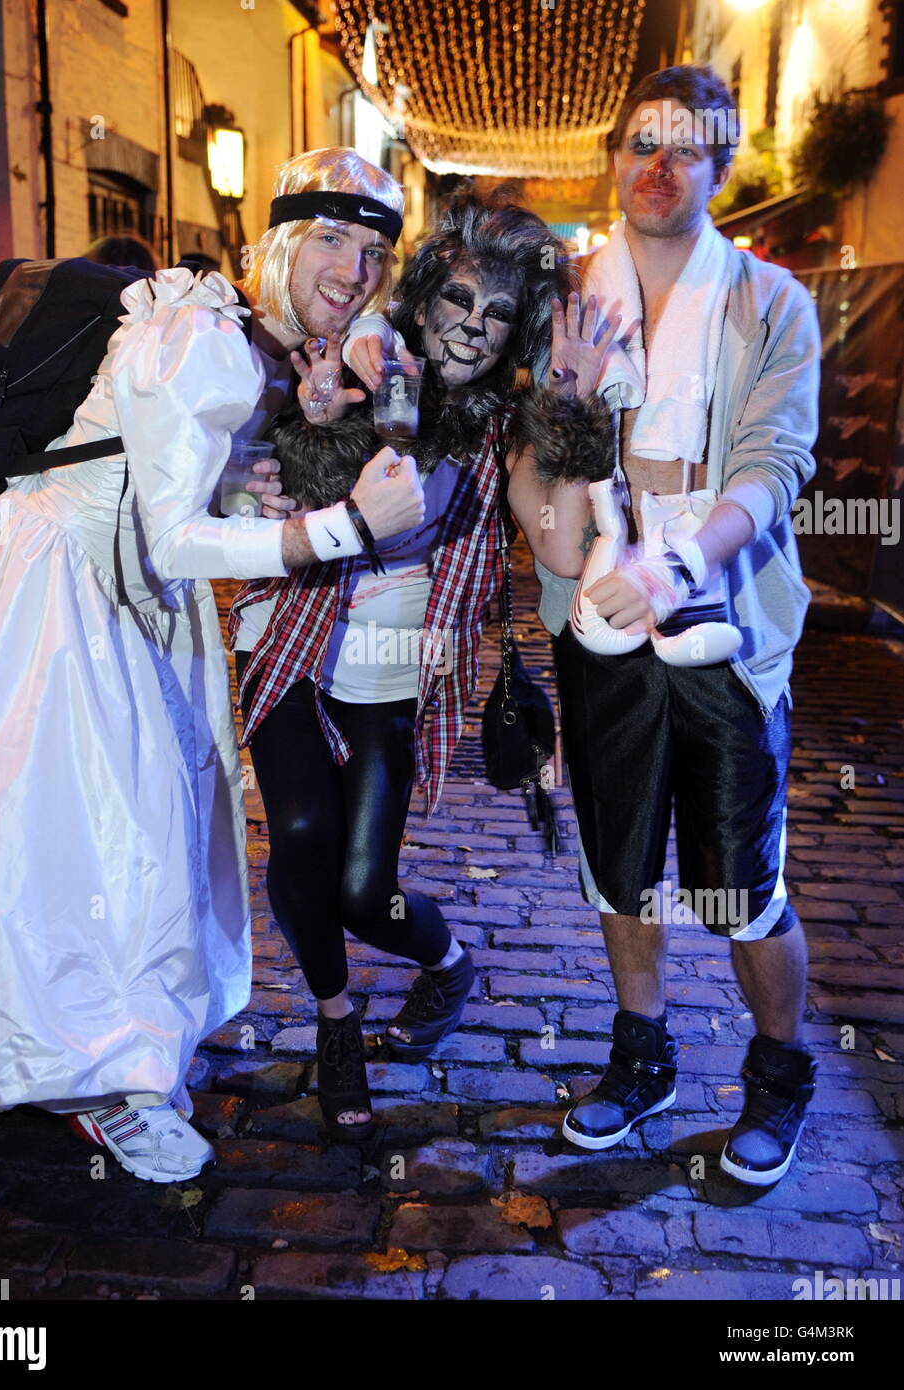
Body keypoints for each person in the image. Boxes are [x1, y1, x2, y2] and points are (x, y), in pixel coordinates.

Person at [0, 147, 423, 1182]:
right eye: (331, 238)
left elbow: (151, 484)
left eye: (372, 252)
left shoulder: (226, 331)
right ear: (280, 242)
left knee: (104, 834)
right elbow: (172, 539)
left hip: (96, 592)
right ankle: (96, 1077)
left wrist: (253, 496)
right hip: (59, 604)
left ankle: (100, 1050)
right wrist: (347, 526)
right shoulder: (208, 341)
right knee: (86, 837)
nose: (355, 270)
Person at [230, 194, 615, 1142]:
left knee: (366, 891)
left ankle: (445, 967)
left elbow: (561, 550)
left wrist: (570, 410)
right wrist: (320, 422)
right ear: (425, 296)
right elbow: (284, 500)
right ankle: (335, 1021)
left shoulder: (502, 429)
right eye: (458, 301)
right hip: (293, 641)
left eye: (498, 315)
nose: (472, 329)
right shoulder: (361, 361)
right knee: (300, 834)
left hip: (398, 672)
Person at [509, 65, 821, 1186]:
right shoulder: (562, 301)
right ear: (612, 158)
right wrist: (564, 397)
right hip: (597, 621)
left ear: (719, 169)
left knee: (741, 880)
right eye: (642, 142)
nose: (659, 165)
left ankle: (779, 1075)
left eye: (686, 147)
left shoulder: (770, 302)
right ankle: (641, 1058)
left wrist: (679, 563)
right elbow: (532, 477)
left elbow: (775, 464)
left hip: (722, 622)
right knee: (618, 862)